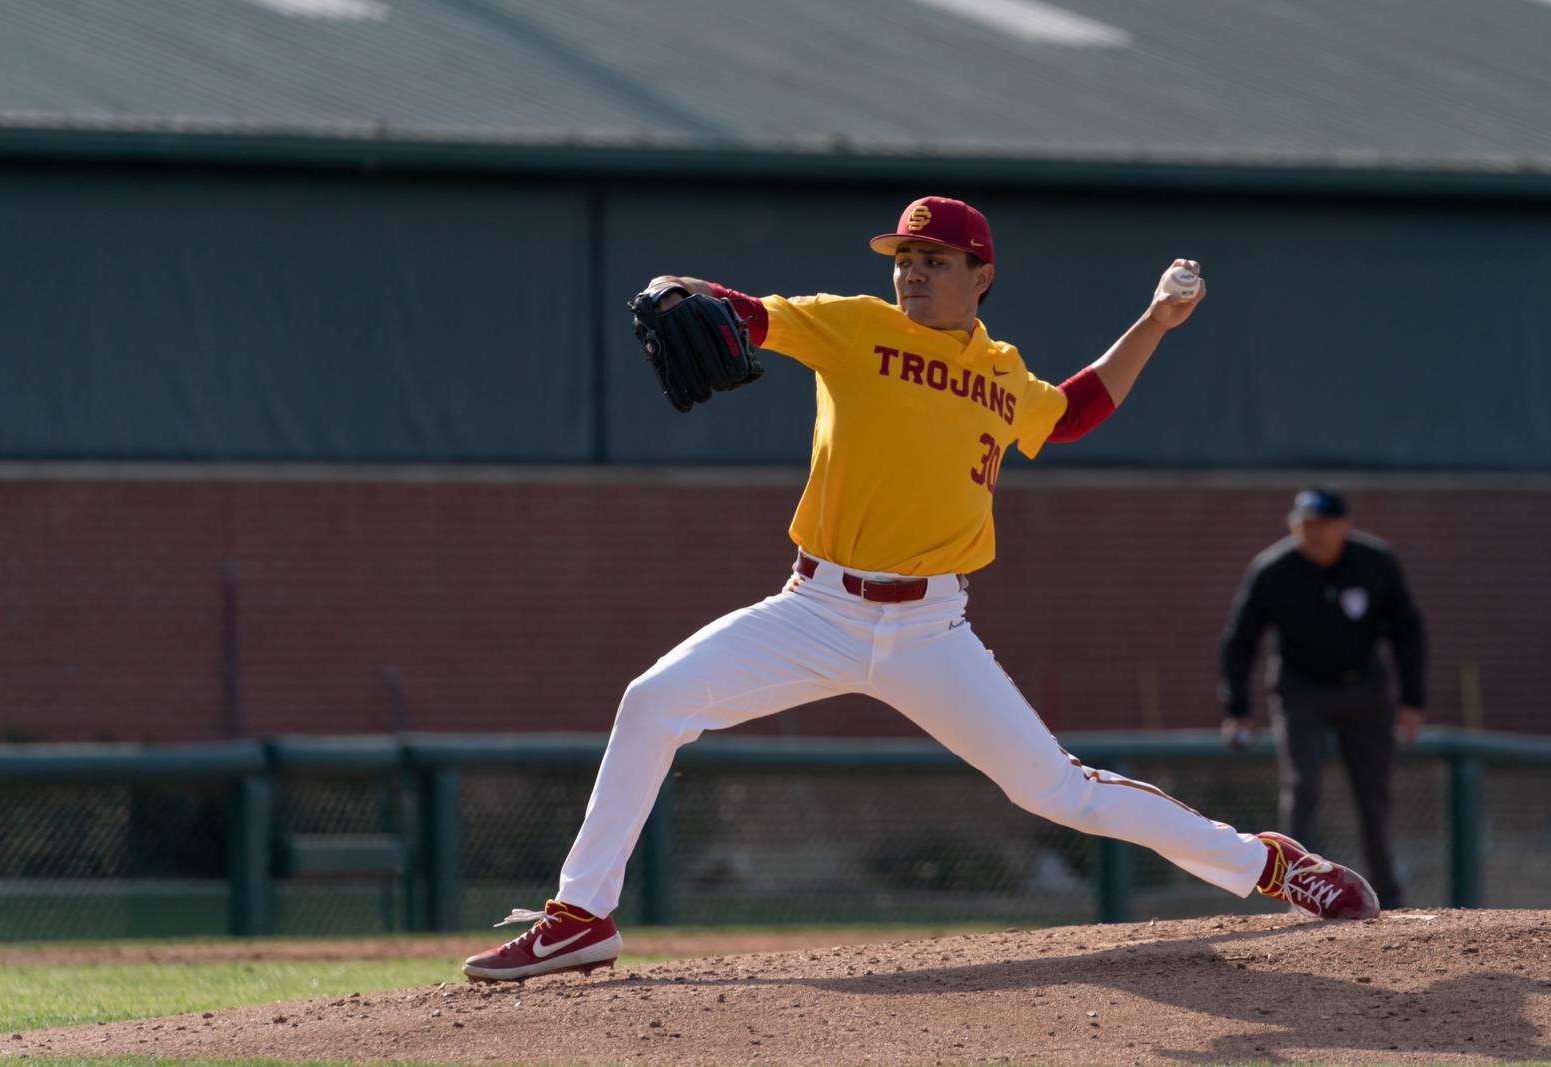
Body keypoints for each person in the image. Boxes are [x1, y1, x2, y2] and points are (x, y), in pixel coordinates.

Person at [464, 196, 1379, 984]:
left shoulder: (1000, 371)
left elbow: (1074, 411)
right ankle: (581, 917)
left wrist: (1153, 321)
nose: (911, 272)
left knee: (1059, 791)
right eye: (904, 256)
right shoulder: (856, 326)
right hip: (814, 609)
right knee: (653, 699)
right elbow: (748, 313)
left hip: (935, 629)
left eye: (933, 259)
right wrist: (678, 287)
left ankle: (1270, 863)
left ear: (980, 273)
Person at [1218, 487, 1426, 909]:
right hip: (1301, 690)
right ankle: (1304, 893)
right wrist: (1238, 709)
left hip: (1364, 690)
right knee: (1302, 785)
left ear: (1343, 525)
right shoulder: (1273, 570)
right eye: (1303, 526)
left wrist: (1412, 700)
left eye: (1320, 525)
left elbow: (1408, 632)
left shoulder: (1375, 563)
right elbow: (1240, 640)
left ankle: (1390, 898)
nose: (1311, 534)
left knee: (1374, 795)